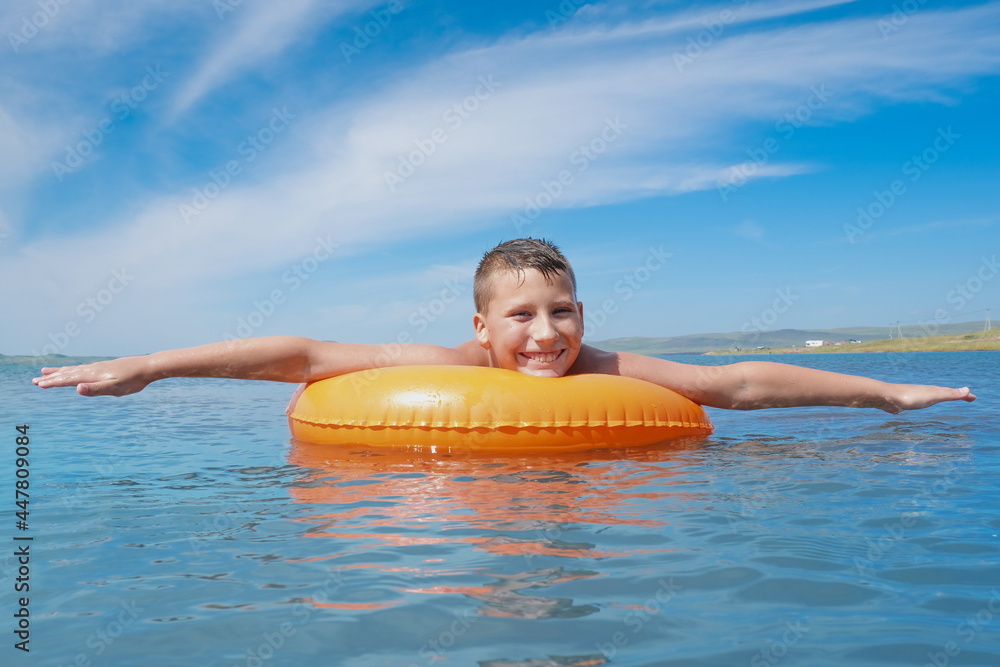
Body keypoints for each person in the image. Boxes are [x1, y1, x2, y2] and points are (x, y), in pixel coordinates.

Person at [33, 238, 976, 414]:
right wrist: (153, 363)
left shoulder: (602, 364)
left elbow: (738, 384)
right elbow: (304, 353)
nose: (545, 333)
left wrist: (887, 390)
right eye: (520, 315)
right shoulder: (445, 360)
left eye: (561, 310)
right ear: (481, 329)